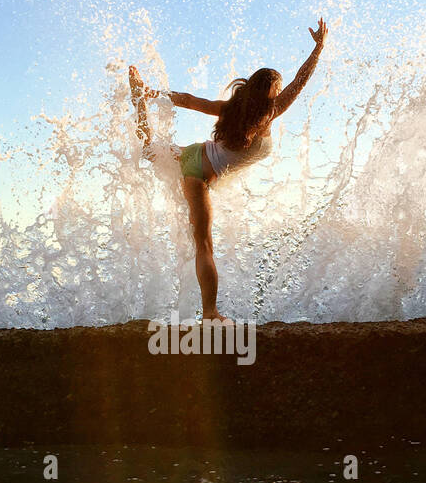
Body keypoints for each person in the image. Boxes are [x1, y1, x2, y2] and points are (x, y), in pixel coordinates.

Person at [129, 19, 327, 320]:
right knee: (204, 244)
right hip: (198, 176)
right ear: (270, 93)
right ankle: (210, 312)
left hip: (195, 155)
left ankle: (139, 100)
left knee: (148, 151)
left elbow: (192, 101)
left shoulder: (230, 110)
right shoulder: (270, 115)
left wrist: (154, 93)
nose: (280, 91)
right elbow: (301, 81)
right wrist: (319, 48)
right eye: (277, 88)